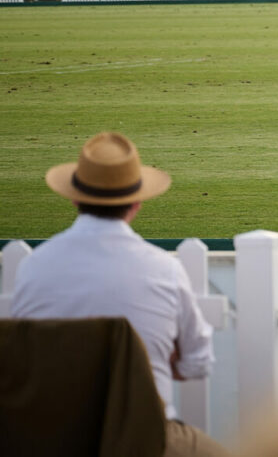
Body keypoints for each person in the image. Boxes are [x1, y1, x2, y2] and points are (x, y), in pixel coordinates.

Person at [11, 132, 226, 457]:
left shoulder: (33, 268)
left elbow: (25, 362)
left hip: (54, 438)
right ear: (136, 202)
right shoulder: (162, 269)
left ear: (74, 198)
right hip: (147, 438)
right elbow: (197, 364)